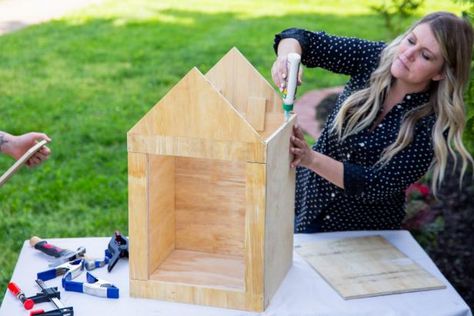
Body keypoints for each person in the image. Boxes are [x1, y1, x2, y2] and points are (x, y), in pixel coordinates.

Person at [271, 12, 474, 233]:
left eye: (425, 55)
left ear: (441, 74)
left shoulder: (432, 126)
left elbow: (375, 185)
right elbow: (300, 38)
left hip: (362, 234)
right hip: (306, 203)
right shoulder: (373, 58)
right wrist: (287, 58)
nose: (408, 54)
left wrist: (310, 159)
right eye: (411, 40)